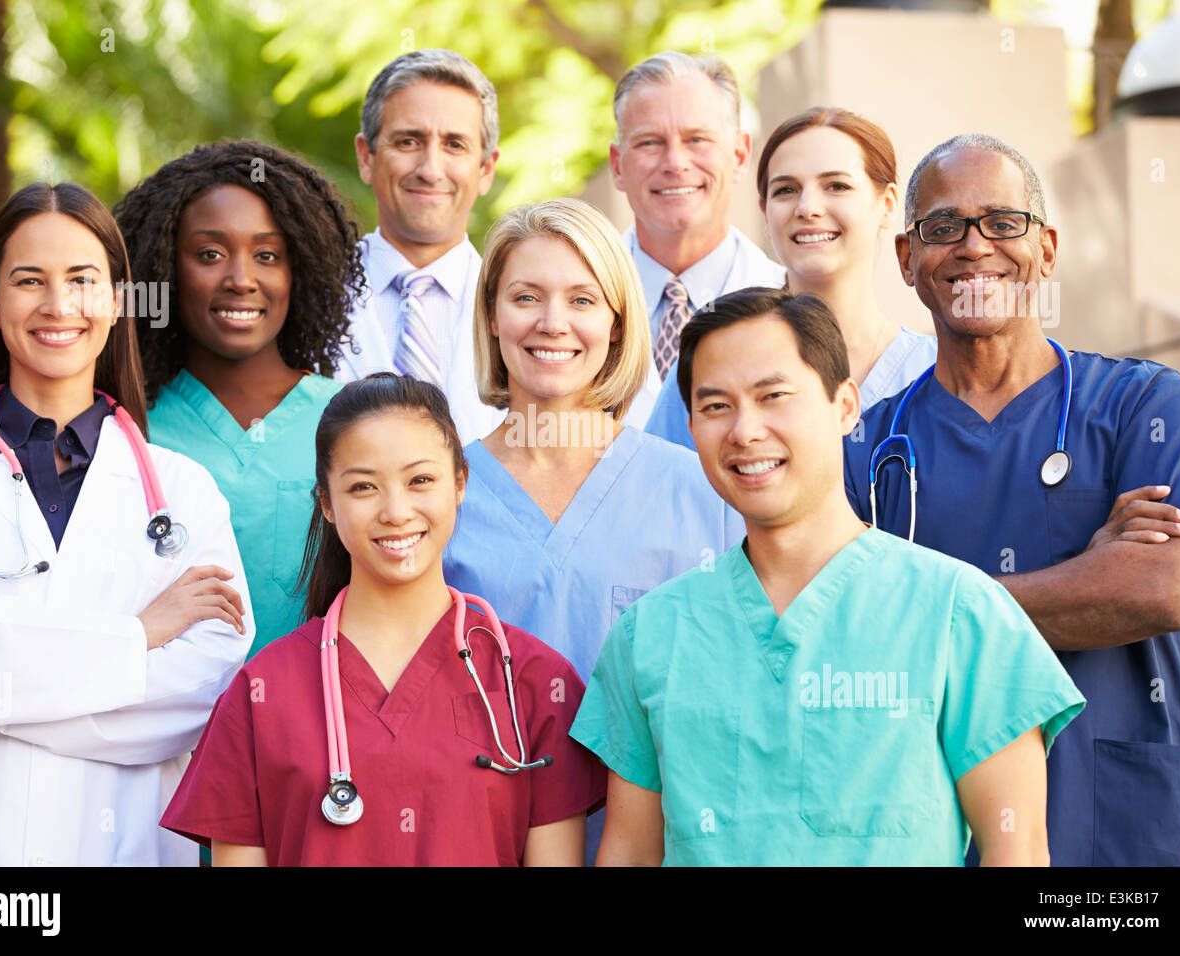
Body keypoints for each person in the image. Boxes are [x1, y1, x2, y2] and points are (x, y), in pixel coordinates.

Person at [570, 287, 1085, 866]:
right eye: (717, 406)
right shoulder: (649, 638)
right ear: (691, 427)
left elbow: (1015, 851)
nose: (745, 431)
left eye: (774, 396)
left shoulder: (960, 613)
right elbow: (629, 856)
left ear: (845, 406)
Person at [844, 134, 1180, 866]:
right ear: (908, 260)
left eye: (1002, 222)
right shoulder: (866, 451)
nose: (975, 246)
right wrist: (1089, 574)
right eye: (943, 227)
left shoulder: (1143, 404)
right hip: (942, 829)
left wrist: (920, 608)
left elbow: (1170, 587)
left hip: (1125, 830)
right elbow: (853, 640)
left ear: (1045, 249)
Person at [0, 183, 252, 866]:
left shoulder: (184, 494)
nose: (58, 306)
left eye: (82, 280)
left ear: (117, 299)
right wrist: (139, 636)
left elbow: (195, 700)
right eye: (29, 280)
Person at [161, 374, 603, 865]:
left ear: (460, 483)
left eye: (420, 480)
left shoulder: (535, 682)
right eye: (363, 487)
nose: (396, 511)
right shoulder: (261, 693)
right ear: (326, 503)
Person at [444, 198, 742, 685]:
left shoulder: (702, 493)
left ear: (617, 322)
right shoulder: (442, 495)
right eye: (525, 298)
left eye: (582, 300)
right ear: (493, 316)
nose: (553, 323)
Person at [116, 140, 363, 659]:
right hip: (163, 734)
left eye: (267, 255)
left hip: (319, 730)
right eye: (209, 254)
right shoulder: (127, 429)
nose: (241, 279)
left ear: (300, 271)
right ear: (163, 266)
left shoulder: (355, 421)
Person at [645, 107, 938, 450]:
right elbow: (652, 492)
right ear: (765, 214)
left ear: (887, 205)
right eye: (786, 190)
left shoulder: (938, 372)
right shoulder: (707, 363)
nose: (808, 207)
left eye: (837, 185)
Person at [608, 51, 786, 427]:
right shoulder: (578, 298)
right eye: (649, 143)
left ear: (739, 156)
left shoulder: (789, 299)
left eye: (697, 139)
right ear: (617, 165)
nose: (675, 162)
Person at [337, 49, 506, 442]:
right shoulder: (307, 298)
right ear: (366, 157)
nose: (430, 170)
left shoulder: (525, 310)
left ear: (485, 170)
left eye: (454, 145)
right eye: (408, 141)